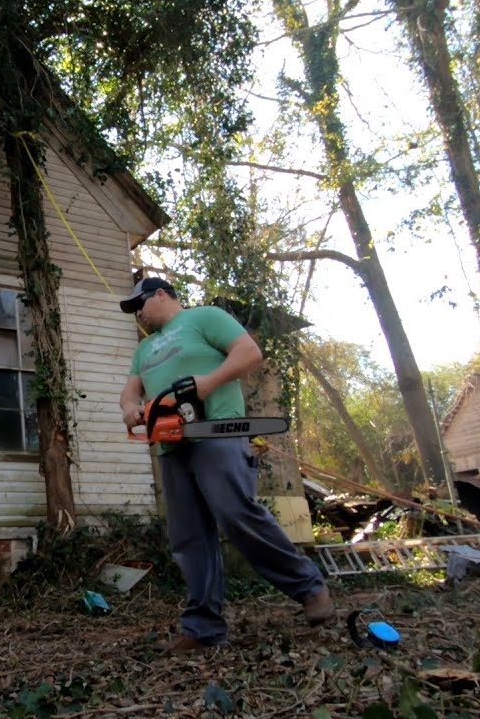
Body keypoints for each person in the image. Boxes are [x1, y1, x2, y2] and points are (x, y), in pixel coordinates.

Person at [117, 277, 334, 654]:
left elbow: (249, 352)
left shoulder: (205, 318)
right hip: (172, 445)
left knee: (236, 513)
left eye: (141, 305)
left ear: (161, 295)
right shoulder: (146, 347)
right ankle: (202, 628)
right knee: (188, 538)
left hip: (216, 430)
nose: (139, 313)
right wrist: (130, 408)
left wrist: (208, 383)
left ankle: (309, 588)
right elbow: (130, 389)